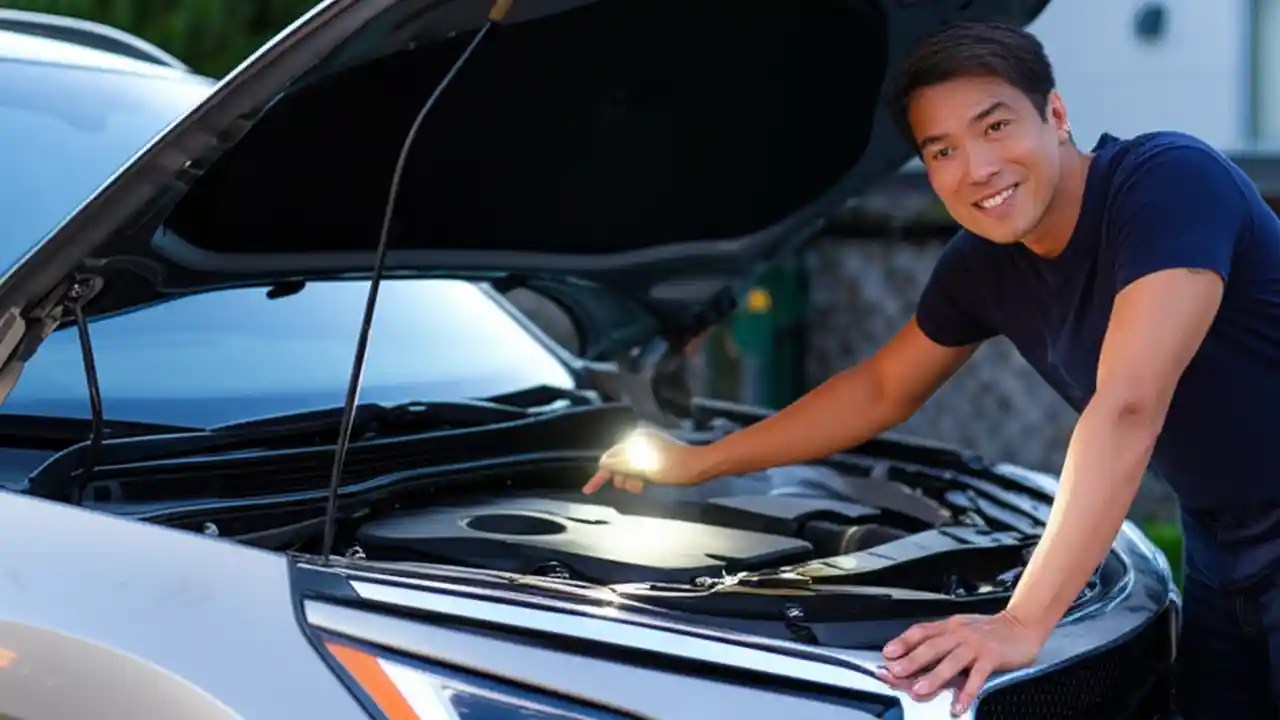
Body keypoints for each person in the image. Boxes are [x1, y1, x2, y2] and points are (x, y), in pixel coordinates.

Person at [580, 19, 1280, 719]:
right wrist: (702, 462)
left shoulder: (1168, 185)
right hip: (1220, 542)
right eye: (942, 150)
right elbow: (880, 388)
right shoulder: (983, 265)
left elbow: (1128, 404)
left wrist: (1020, 621)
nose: (977, 168)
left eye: (996, 125)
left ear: (1056, 115)